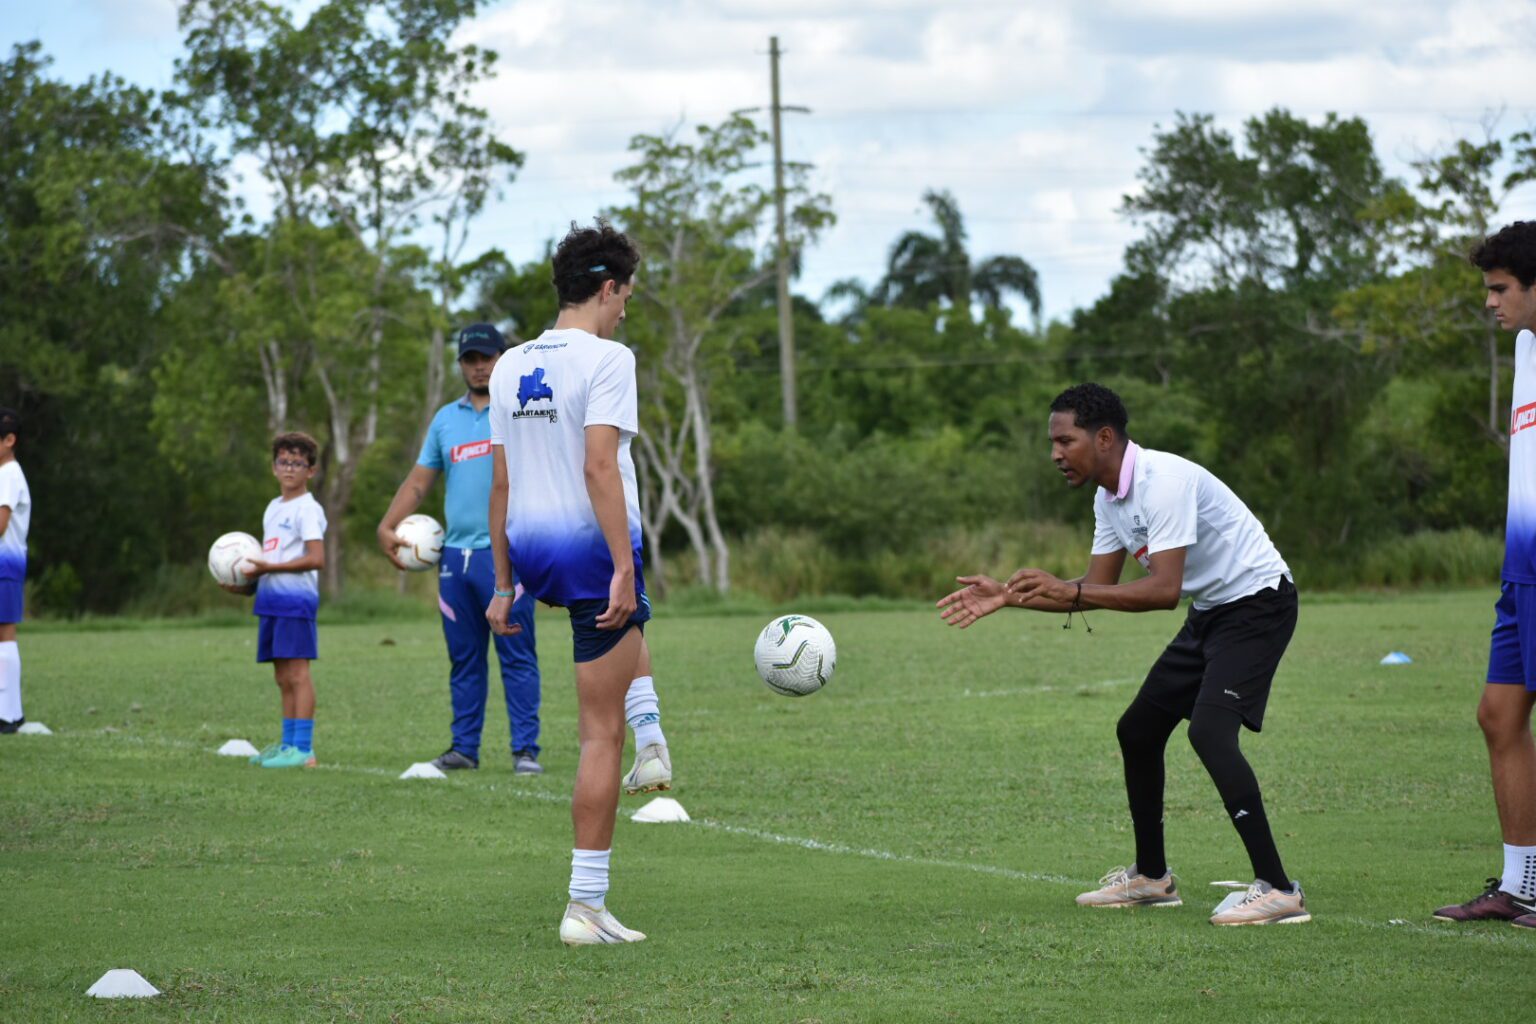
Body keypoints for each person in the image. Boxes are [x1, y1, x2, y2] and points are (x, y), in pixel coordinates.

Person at [937, 383, 1308, 926]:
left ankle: (1279, 889)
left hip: (1259, 603)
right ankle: (1152, 878)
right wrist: (1008, 597)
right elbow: (1095, 586)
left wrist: (1072, 594)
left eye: (1065, 441)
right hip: (1211, 611)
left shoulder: (1164, 483)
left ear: (1104, 437)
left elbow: (1160, 591)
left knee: (1208, 731)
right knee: (1138, 730)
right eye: (1053, 443)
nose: (1055, 454)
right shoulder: (1107, 497)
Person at [486, 220, 660, 945]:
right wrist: (623, 564)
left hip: (531, 550)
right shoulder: (608, 358)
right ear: (606, 287)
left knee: (628, 660)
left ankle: (656, 740)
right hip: (592, 553)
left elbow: (498, 480)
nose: (625, 310)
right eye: (625, 296)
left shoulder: (506, 364)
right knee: (599, 735)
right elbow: (598, 468)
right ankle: (585, 906)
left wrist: (502, 585)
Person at [378, 323, 544, 775]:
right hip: (453, 559)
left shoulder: (521, 409)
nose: (479, 366)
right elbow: (418, 482)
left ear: (502, 358)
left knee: (517, 655)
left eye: (486, 357)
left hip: (506, 557)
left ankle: (525, 751)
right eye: (470, 359)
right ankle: (464, 749)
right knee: (464, 657)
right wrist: (388, 524)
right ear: (461, 364)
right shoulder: (445, 420)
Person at [1435, 221, 1536, 928]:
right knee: (1497, 716)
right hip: (1520, 569)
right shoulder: (1528, 347)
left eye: (1500, 289)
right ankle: (1520, 883)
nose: (1490, 303)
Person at [233, 432, 327, 769]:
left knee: (299, 674)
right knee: (282, 676)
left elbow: (317, 558)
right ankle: (287, 746)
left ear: (311, 471)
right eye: (284, 462)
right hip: (271, 601)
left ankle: (303, 750)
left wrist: (271, 567)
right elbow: (269, 557)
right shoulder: (273, 507)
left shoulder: (308, 509)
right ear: (274, 468)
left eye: (298, 463)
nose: (290, 468)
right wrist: (246, 583)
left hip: (295, 602)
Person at [0, 408, 31, 733]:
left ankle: (9, 715)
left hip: (5, 561)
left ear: (10, 440)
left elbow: (1, 524)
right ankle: (9, 711)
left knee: (5, 632)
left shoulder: (8, 474)